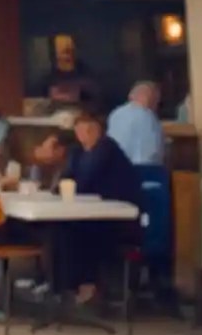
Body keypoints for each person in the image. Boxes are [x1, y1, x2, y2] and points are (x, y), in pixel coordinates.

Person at [60, 112, 143, 304]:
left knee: (77, 232)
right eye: (78, 131)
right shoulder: (77, 152)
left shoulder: (107, 149)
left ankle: (87, 285)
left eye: (87, 130)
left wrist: (70, 186)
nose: (82, 135)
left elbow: (86, 181)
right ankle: (65, 287)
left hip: (118, 218)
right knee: (61, 229)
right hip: (90, 212)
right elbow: (67, 178)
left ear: (98, 130)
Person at [106, 81, 165, 165]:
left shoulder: (115, 114)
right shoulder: (148, 117)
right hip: (141, 171)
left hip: (115, 168)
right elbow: (152, 152)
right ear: (152, 99)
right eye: (157, 102)